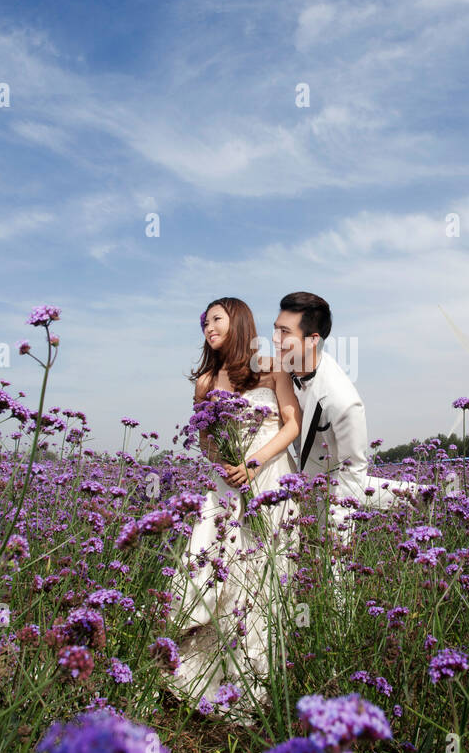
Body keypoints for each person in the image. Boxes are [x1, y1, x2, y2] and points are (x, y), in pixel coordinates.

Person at [164, 297, 302, 725]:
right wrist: (221, 462)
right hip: (227, 489)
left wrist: (253, 463)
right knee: (221, 576)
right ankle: (204, 684)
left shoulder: (271, 366)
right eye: (204, 322)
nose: (208, 327)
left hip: (272, 480)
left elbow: (291, 423)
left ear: (238, 320)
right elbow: (203, 437)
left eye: (216, 319)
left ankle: (253, 690)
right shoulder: (206, 380)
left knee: (264, 582)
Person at [272, 292, 425, 547]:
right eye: (275, 329)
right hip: (305, 483)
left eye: (284, 332)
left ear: (312, 341)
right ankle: (421, 496)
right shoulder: (283, 368)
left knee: (334, 576)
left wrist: (337, 526)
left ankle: (428, 499)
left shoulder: (343, 400)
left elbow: (353, 471)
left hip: (334, 490)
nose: (275, 339)